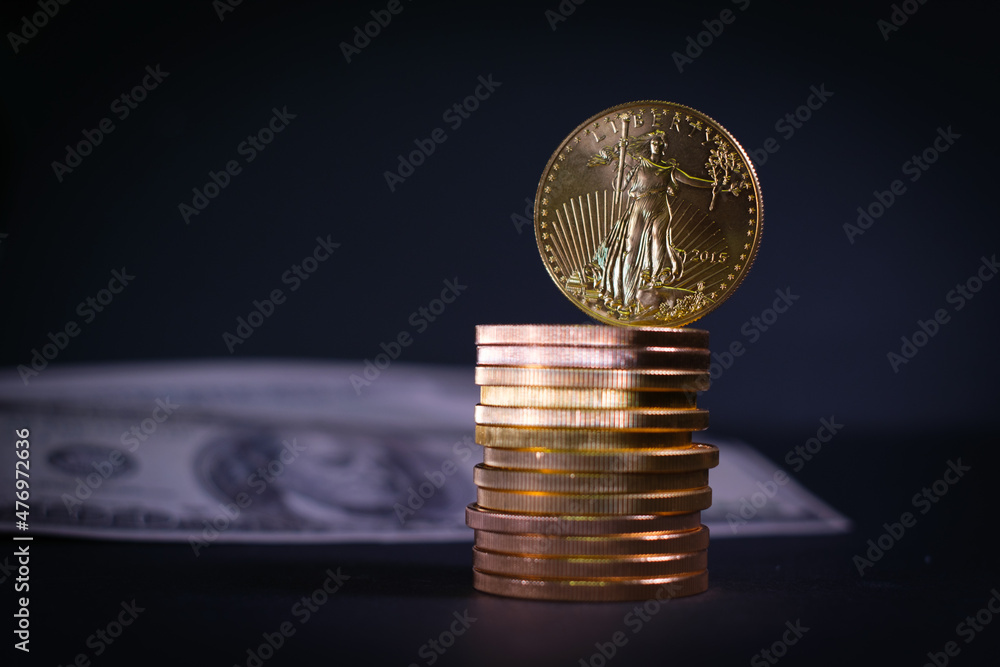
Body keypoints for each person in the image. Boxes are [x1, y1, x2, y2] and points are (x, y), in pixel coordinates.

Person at [594, 130, 716, 316]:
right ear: (649, 145)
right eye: (654, 142)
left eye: (660, 143)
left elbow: (690, 180)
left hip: (660, 206)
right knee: (630, 246)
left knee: (657, 239)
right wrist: (617, 156)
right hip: (639, 206)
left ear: (664, 146)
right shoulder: (639, 164)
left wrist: (713, 184)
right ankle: (624, 292)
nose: (656, 145)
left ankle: (654, 278)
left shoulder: (669, 169)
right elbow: (620, 181)